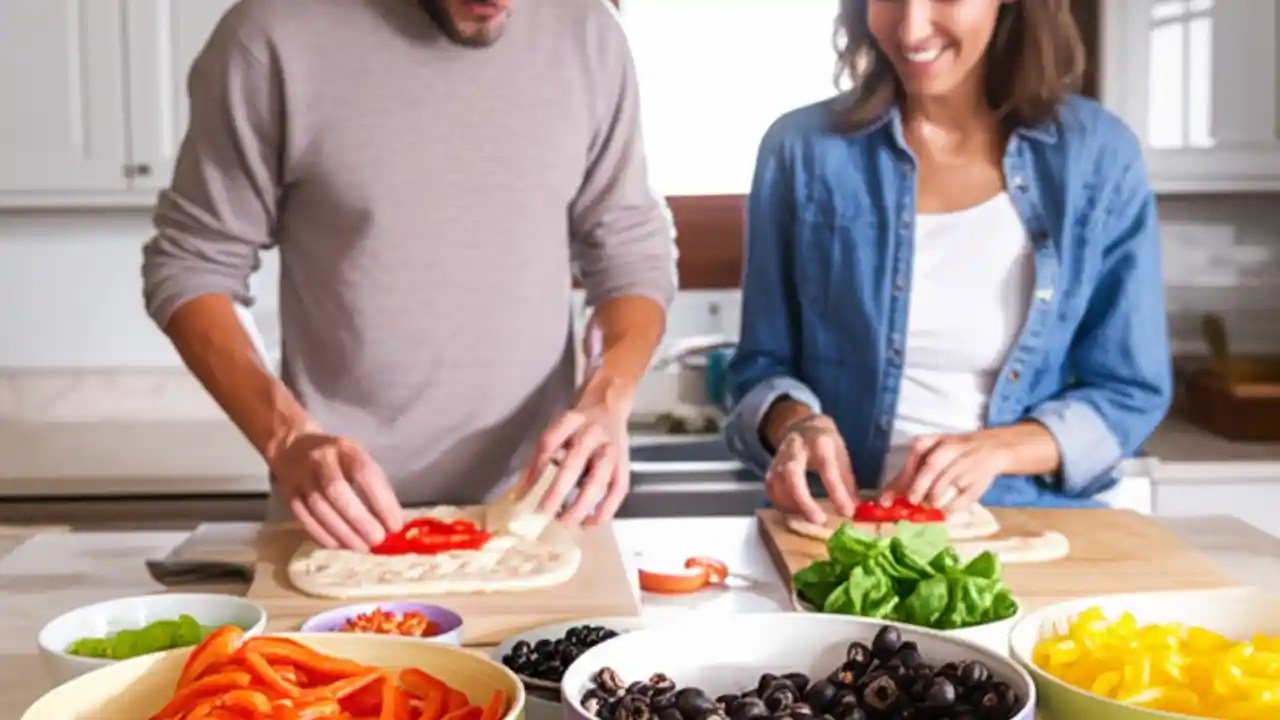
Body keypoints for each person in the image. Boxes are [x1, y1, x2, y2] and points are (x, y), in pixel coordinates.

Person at [141, 0, 677, 551]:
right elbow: (193, 263)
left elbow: (632, 252)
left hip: (537, 519)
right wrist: (288, 437)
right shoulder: (270, 36)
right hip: (344, 526)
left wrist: (608, 396)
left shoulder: (589, 31)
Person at [723, 0, 1173, 525]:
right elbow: (760, 367)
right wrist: (798, 426)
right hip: (839, 530)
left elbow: (1129, 391)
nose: (911, 27)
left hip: (1028, 526)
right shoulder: (802, 150)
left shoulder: (1097, 155)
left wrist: (1001, 449)